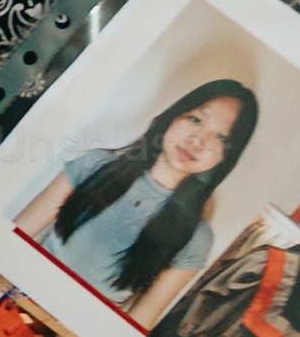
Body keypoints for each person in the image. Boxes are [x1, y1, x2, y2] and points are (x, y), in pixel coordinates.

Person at [31, 73, 260, 303]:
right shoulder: (93, 165)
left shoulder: (196, 238)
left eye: (220, 136)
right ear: (174, 116)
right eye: (196, 120)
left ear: (226, 157)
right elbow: (20, 231)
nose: (197, 141)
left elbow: (139, 322)